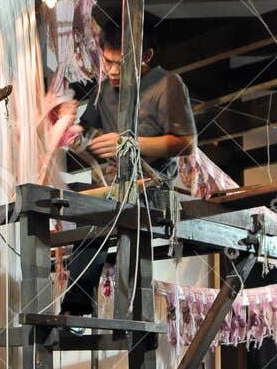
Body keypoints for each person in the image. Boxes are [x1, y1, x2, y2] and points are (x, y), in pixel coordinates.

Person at [62, 16, 196, 316]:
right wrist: (68, 128)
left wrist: (133, 144)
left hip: (152, 188)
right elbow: (85, 130)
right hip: (113, 188)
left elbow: (186, 142)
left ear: (145, 56)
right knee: (80, 201)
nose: (111, 71)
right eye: (106, 61)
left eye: (119, 63)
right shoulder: (104, 89)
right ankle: (77, 309)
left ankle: (130, 312)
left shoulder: (167, 85)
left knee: (111, 219)